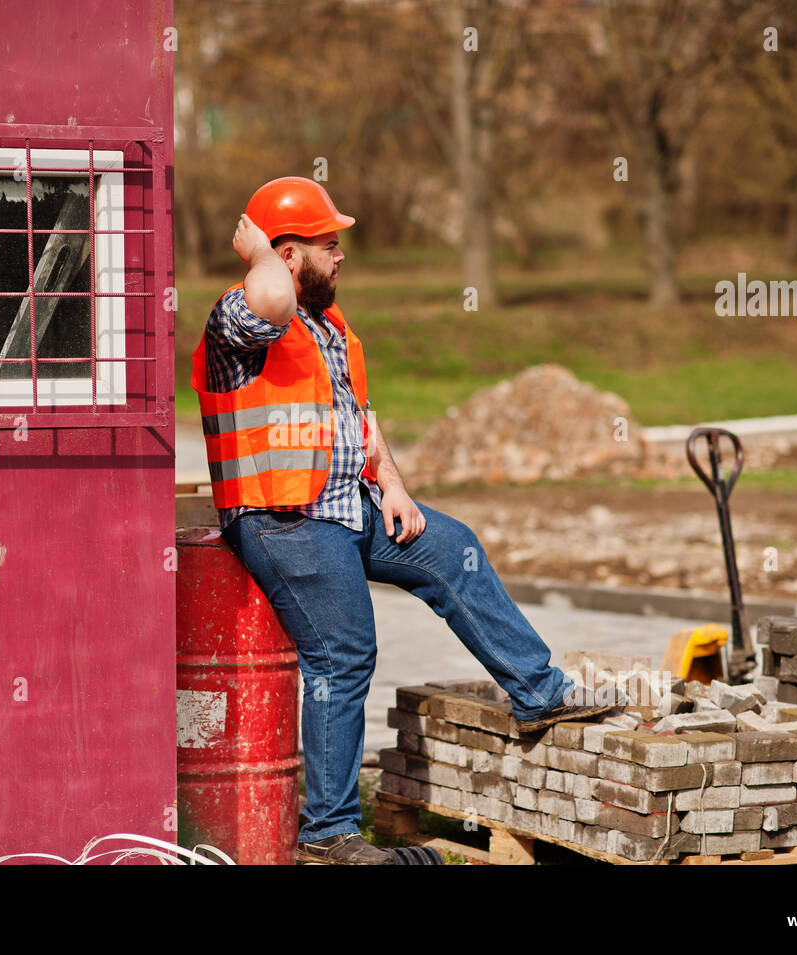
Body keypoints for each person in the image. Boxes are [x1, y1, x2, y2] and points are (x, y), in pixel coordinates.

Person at [190, 177, 623, 865]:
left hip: (345, 505)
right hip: (282, 521)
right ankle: (328, 834)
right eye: (328, 245)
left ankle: (538, 693)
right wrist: (257, 256)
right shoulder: (239, 324)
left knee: (454, 550)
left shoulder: (330, 330)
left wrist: (391, 483)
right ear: (285, 253)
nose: (342, 257)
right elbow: (269, 295)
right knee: (345, 646)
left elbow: (360, 416)